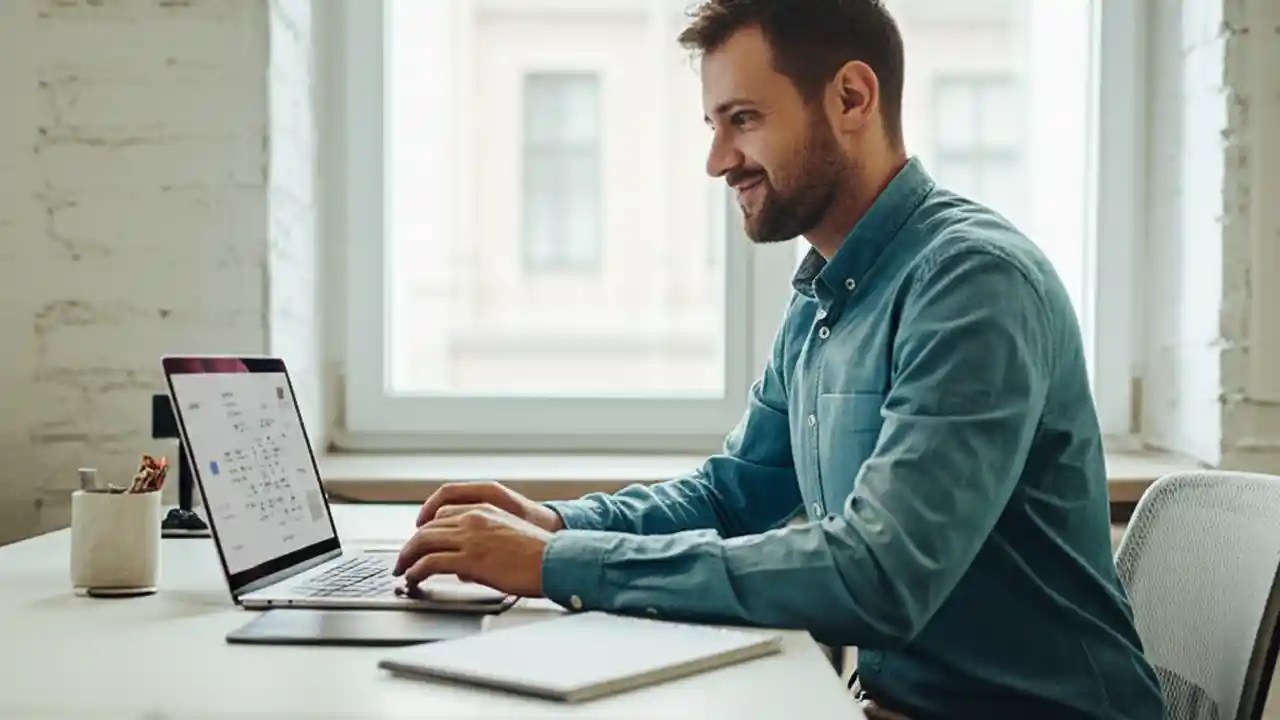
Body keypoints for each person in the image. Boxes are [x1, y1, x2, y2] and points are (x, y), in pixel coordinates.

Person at [393, 1, 1164, 717]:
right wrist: (558, 522)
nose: (718, 160)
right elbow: (734, 497)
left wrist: (558, 563)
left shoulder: (972, 285)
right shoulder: (826, 296)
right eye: (713, 123)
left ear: (851, 99)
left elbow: (877, 576)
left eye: (744, 120)